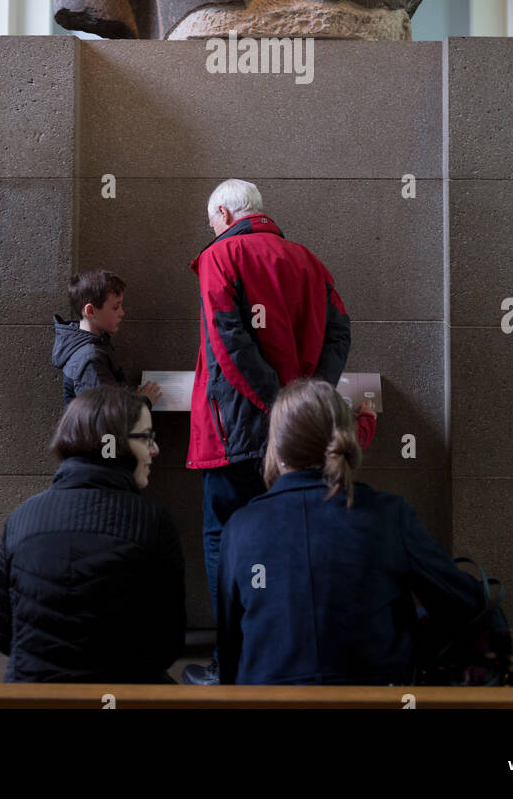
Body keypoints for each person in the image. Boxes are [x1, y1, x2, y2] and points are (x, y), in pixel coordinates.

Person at [217, 379, 509, 685]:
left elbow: (229, 647)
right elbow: (466, 604)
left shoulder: (239, 527)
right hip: (379, 698)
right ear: (345, 438)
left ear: (276, 448)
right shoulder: (388, 515)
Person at [183, 178, 351, 685]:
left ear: (225, 212)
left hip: (235, 432)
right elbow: (341, 330)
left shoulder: (221, 256)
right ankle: (292, 659)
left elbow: (227, 343)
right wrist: (305, 399)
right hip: (299, 436)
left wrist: (275, 403)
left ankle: (230, 664)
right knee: (294, 540)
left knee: (223, 537)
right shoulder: (307, 259)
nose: (211, 228)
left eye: (212, 219)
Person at [0, 385, 186, 683]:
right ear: (116, 444)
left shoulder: (20, 518)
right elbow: (166, 646)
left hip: (31, 698)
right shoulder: (152, 522)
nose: (154, 449)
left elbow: (4, 636)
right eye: (146, 437)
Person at [51, 269, 160, 408]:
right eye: (115, 307)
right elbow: (106, 414)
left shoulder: (96, 344)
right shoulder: (89, 359)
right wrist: (144, 402)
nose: (122, 312)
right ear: (90, 311)